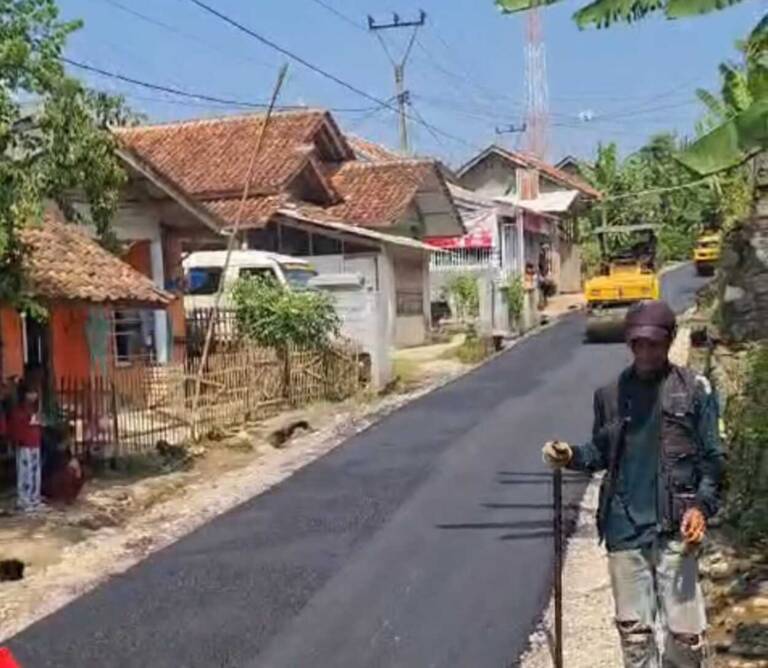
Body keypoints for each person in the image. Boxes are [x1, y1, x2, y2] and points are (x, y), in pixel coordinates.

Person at [542, 300, 723, 668]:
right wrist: (569, 456)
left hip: (677, 527)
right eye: (638, 343)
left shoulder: (694, 390)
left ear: (670, 340)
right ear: (629, 343)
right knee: (635, 635)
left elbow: (714, 459)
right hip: (624, 526)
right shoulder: (609, 396)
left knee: (686, 637)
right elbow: (600, 452)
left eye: (653, 344)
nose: (645, 351)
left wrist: (701, 507)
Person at [9, 381, 45, 512]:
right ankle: (24, 500)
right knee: (25, 473)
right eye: (31, 393)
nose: (33, 395)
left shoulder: (35, 408)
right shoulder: (19, 410)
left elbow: (38, 424)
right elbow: (16, 426)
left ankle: (35, 498)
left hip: (35, 443)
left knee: (35, 473)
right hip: (25, 444)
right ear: (24, 394)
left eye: (34, 393)